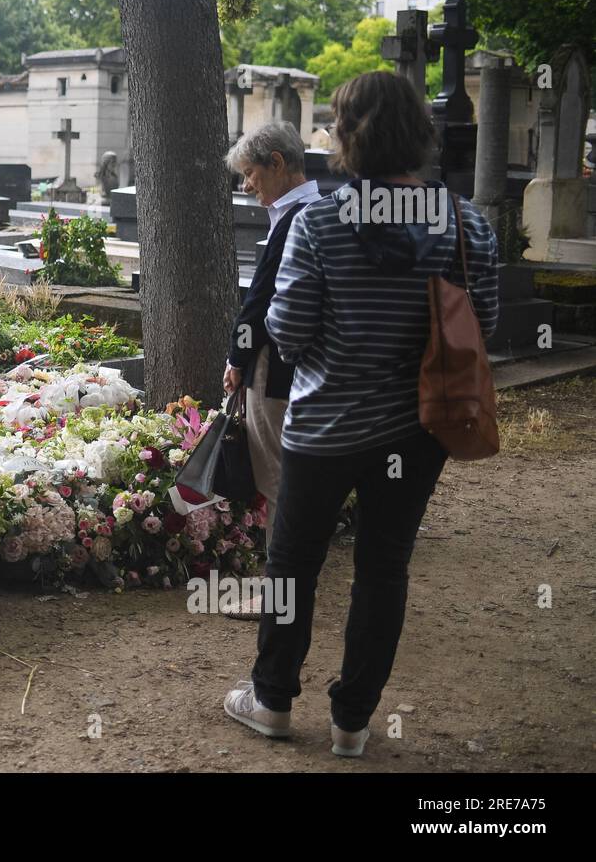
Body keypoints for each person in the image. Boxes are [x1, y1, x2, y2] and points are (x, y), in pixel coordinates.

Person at [222, 71, 499, 757]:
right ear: (420, 132)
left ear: (347, 136)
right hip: (421, 428)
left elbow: (287, 330)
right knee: (383, 567)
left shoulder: (316, 221)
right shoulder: (466, 223)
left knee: (293, 563)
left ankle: (273, 700)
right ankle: (353, 721)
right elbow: (483, 325)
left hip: (324, 427)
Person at [222, 121, 321, 613]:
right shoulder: (323, 210)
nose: (247, 185)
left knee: (277, 477)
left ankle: (281, 593)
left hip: (275, 368)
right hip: (309, 369)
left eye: (251, 173)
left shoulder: (296, 216)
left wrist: (237, 358)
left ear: (277, 164)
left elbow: (263, 301)